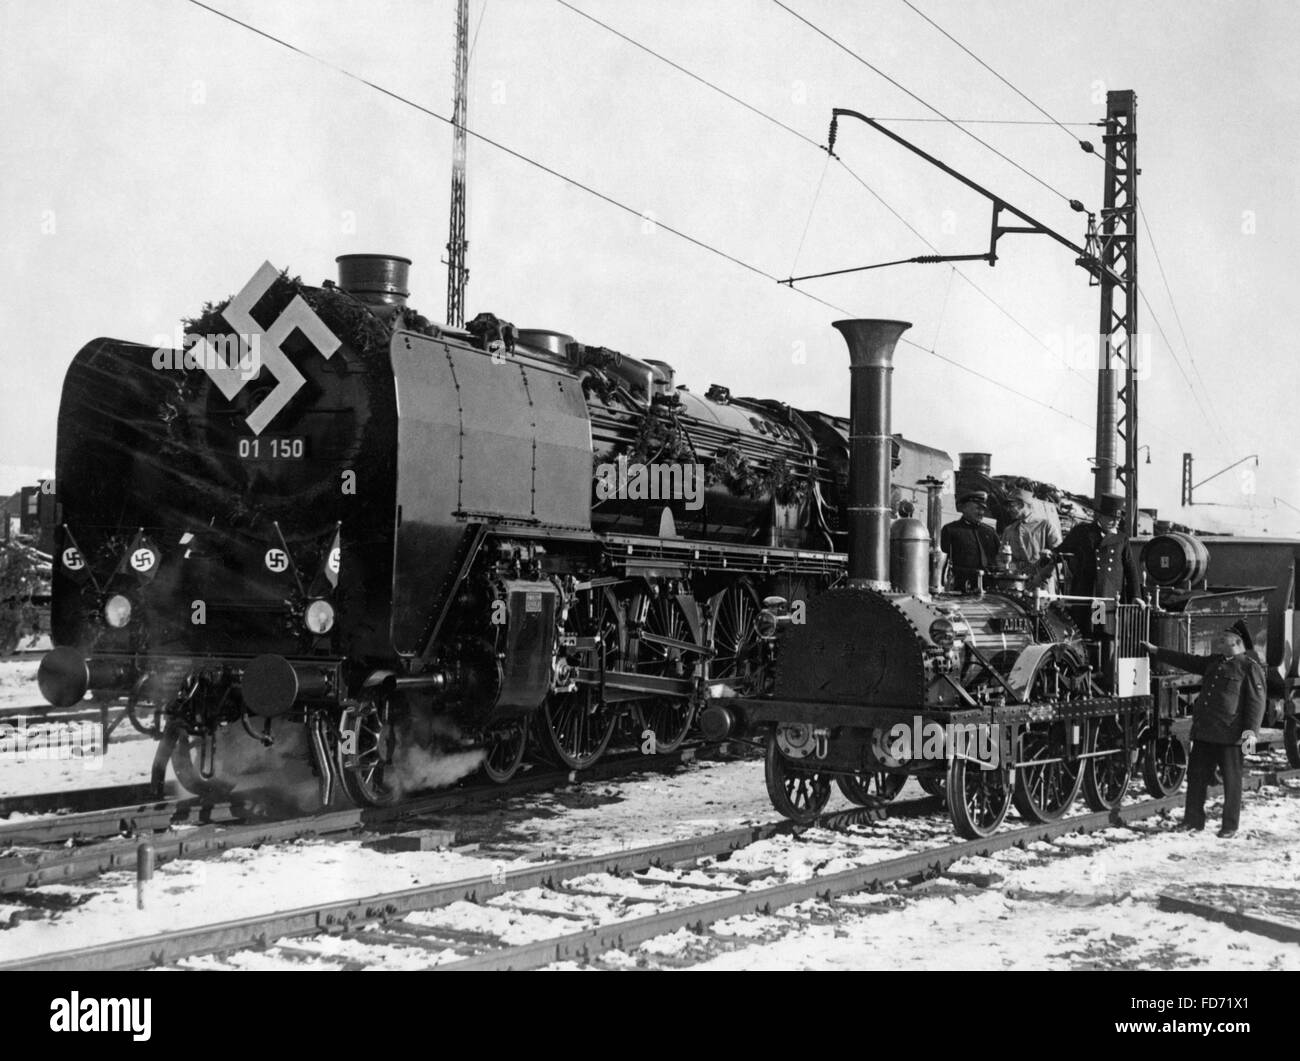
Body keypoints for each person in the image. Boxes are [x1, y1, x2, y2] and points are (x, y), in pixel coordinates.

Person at [1142, 620, 1265, 838]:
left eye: (1224, 636)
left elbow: (1256, 704)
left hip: (1230, 736)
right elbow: (1186, 660)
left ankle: (1229, 826)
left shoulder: (1249, 668)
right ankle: (1193, 821)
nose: (1220, 639)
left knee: (1232, 783)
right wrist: (1156, 651)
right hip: (1205, 733)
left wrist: (1250, 736)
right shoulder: (1214, 662)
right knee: (1196, 778)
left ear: (1236, 642)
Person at [1000, 482, 1062, 590]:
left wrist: (1040, 577)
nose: (1008, 509)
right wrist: (1014, 570)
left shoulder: (1045, 526)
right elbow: (1001, 558)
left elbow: (1059, 557)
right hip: (1017, 585)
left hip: (1042, 586)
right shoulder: (1009, 530)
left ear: (1022, 505)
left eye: (1011, 505)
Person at [939, 491, 999, 592]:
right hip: (962, 587)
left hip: (988, 588)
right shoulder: (950, 530)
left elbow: (999, 558)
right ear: (964, 509)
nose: (981, 513)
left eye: (983, 509)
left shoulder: (990, 532)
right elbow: (943, 562)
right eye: (977, 508)